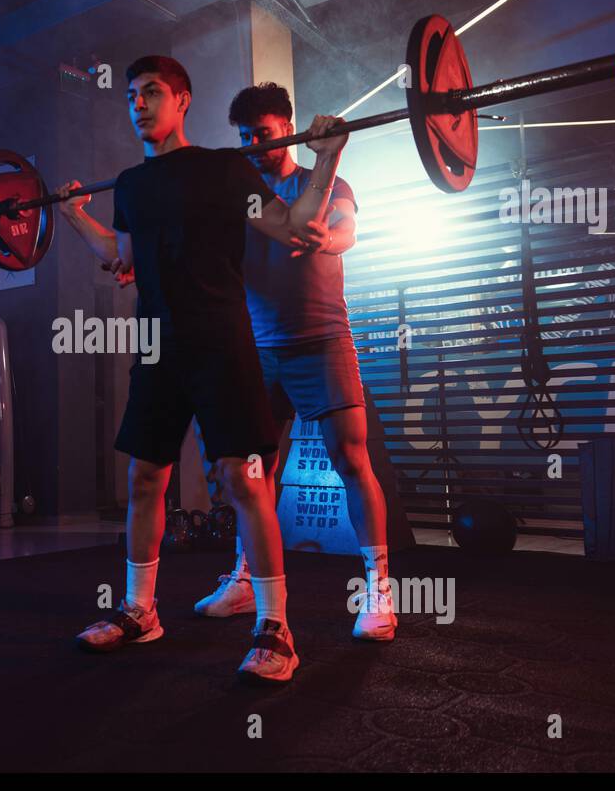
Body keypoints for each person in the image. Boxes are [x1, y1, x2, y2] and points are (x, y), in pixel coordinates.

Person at [56, 55, 345, 684]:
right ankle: (140, 611)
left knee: (244, 481)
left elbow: (295, 227)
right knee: (142, 479)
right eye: (131, 95)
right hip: (159, 344)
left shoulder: (225, 169)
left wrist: (327, 158)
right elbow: (122, 258)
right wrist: (76, 215)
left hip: (221, 341)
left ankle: (275, 629)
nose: (138, 104)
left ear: (182, 100)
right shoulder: (131, 184)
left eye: (152, 92)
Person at [191, 82, 396, 641]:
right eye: (245, 137)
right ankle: (244, 579)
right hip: (256, 348)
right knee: (256, 472)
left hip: (321, 340)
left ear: (290, 127)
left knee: (351, 458)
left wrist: (325, 238)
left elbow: (348, 230)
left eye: (264, 133)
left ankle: (378, 590)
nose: (255, 144)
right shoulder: (244, 197)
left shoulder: (321, 183)